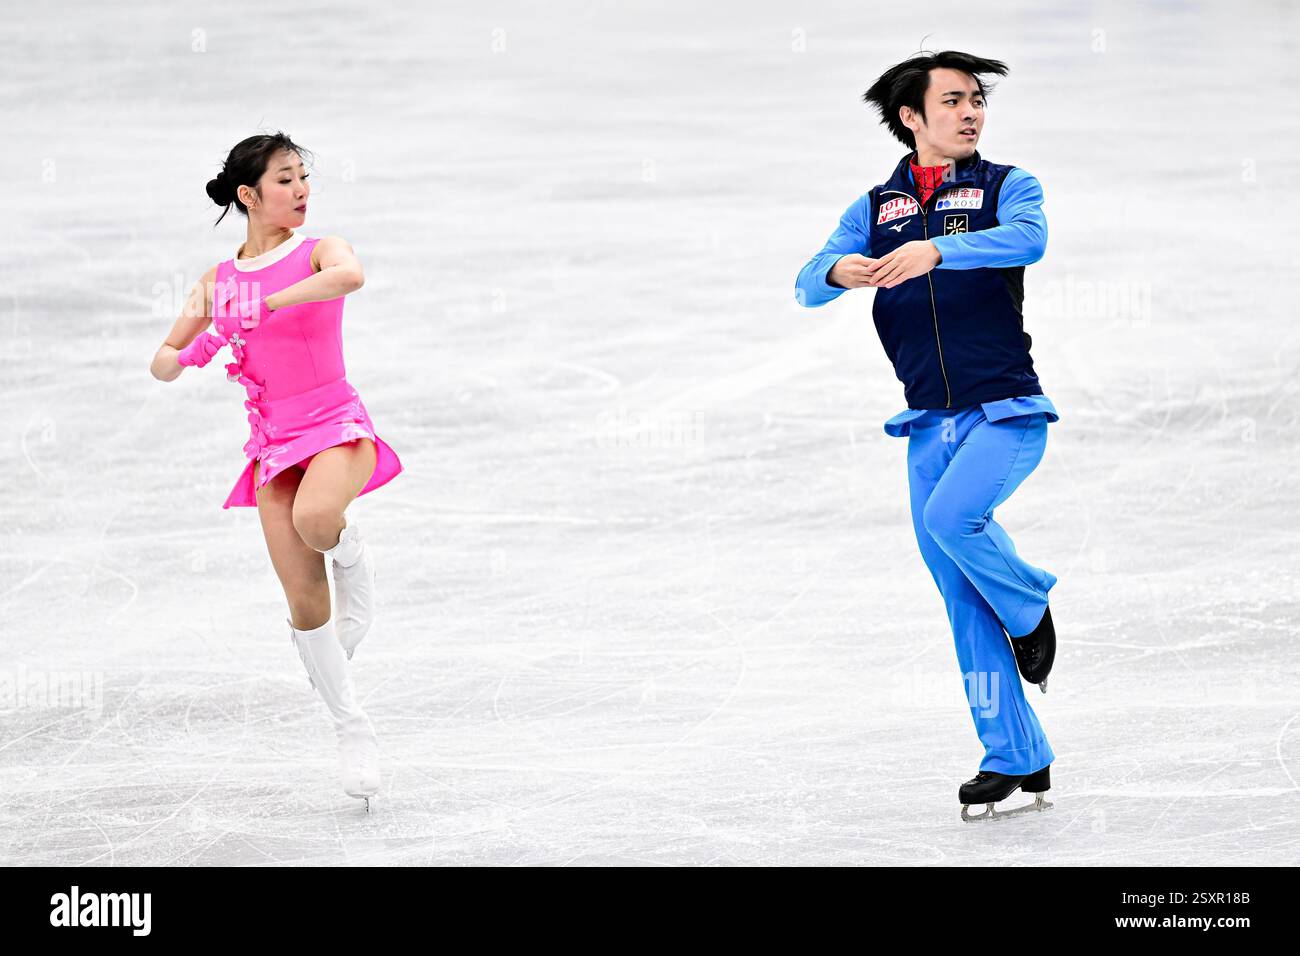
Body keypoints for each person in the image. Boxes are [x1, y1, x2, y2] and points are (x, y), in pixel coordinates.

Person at [794, 51, 1058, 821]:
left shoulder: (1010, 186)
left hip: (1003, 411)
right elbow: (808, 279)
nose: (971, 112)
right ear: (912, 118)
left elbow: (1028, 240)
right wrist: (844, 270)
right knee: (957, 595)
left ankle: (1031, 607)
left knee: (953, 523)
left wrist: (941, 249)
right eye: (953, 101)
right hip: (925, 425)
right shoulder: (877, 205)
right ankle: (1015, 755)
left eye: (977, 100)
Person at [149, 132, 403, 810]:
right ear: (248, 195)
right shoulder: (217, 281)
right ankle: (353, 729)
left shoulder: (320, 250)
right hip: (272, 445)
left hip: (337, 425)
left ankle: (350, 550)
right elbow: (163, 359)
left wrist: (268, 304)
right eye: (286, 180)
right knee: (303, 603)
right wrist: (195, 347)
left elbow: (350, 277)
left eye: (302, 178)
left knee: (318, 519)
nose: (301, 190)